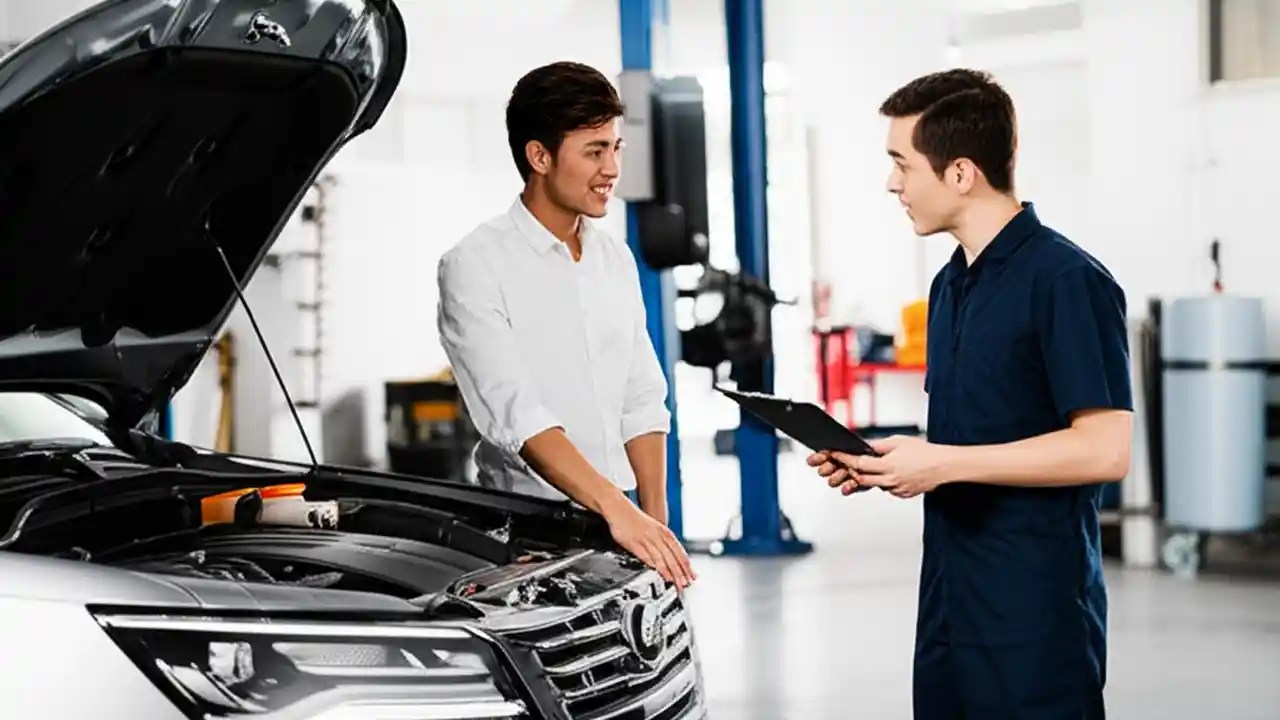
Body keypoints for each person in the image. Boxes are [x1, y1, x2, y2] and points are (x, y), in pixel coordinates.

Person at [808, 69, 1132, 718]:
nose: (892, 183)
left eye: (902, 163)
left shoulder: (1068, 281)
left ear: (960, 173)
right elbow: (978, 430)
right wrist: (891, 459)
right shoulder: (950, 286)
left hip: (1033, 610)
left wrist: (943, 463)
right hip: (949, 600)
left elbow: (1105, 451)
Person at [435, 61, 695, 590]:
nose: (613, 168)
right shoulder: (475, 264)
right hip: (530, 532)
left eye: (616, 148)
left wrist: (654, 521)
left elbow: (642, 397)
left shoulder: (614, 258)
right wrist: (618, 512)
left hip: (624, 524)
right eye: (595, 151)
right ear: (540, 156)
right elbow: (517, 415)